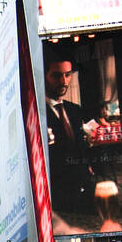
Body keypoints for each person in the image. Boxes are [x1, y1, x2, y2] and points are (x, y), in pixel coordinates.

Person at [43, 52, 95, 220]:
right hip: (57, 192)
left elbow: (81, 146)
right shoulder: (37, 113)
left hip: (83, 188)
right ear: (44, 75)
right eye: (57, 75)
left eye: (68, 75)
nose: (64, 81)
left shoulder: (74, 110)